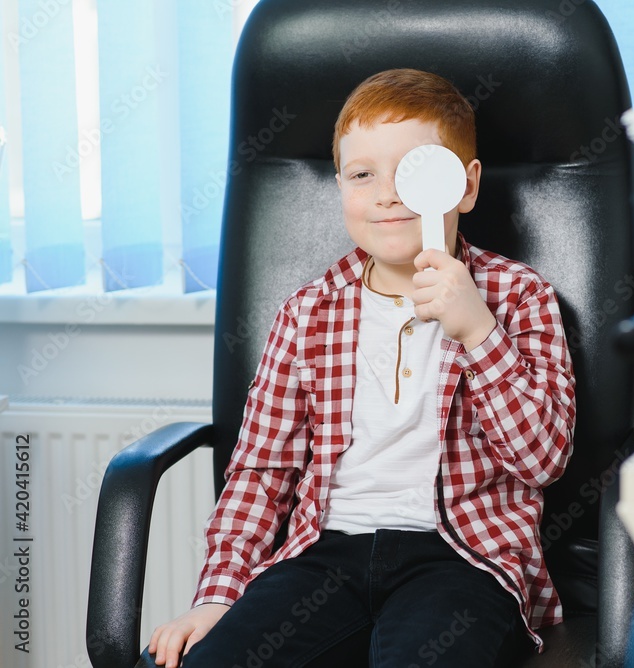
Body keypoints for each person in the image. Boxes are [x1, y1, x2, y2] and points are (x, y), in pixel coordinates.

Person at [140, 68, 576, 668]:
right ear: (341, 185)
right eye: (362, 174)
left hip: (462, 556)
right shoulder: (307, 312)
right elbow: (261, 472)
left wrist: (478, 330)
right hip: (325, 552)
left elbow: (542, 460)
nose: (387, 194)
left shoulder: (520, 297)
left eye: (414, 172)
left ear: (466, 186)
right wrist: (218, 597)